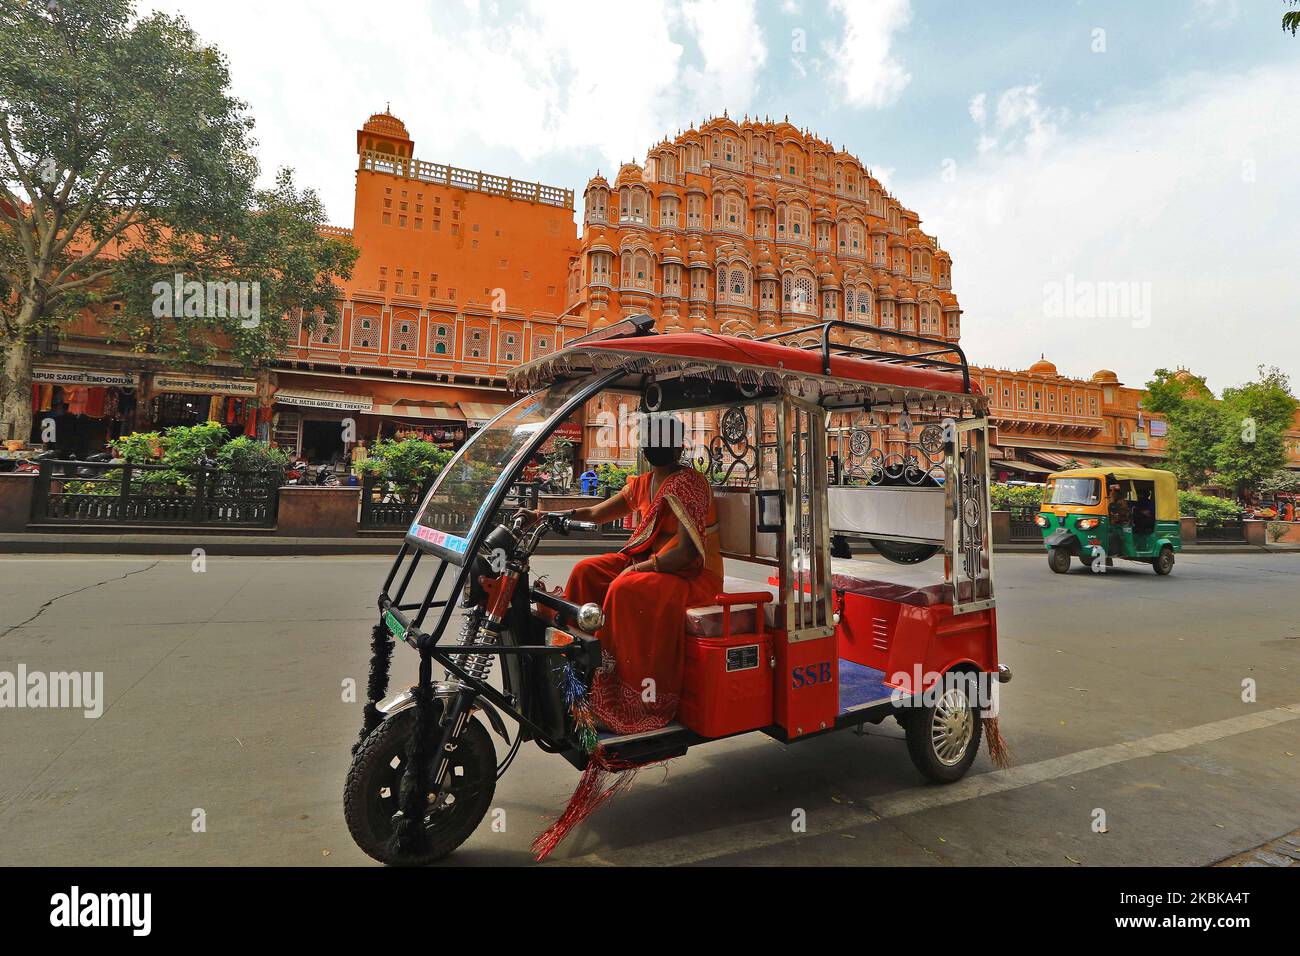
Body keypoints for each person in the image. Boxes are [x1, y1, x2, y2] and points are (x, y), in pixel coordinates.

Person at [527, 412, 722, 734]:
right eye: (651, 443)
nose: (655, 449)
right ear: (645, 448)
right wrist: (541, 515)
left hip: (692, 574)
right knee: (586, 570)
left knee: (625, 588)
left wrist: (641, 566)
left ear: (678, 448)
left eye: (663, 443)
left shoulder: (690, 483)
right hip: (653, 563)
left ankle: (621, 693)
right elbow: (595, 513)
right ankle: (577, 665)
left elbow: (688, 552)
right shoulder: (644, 483)